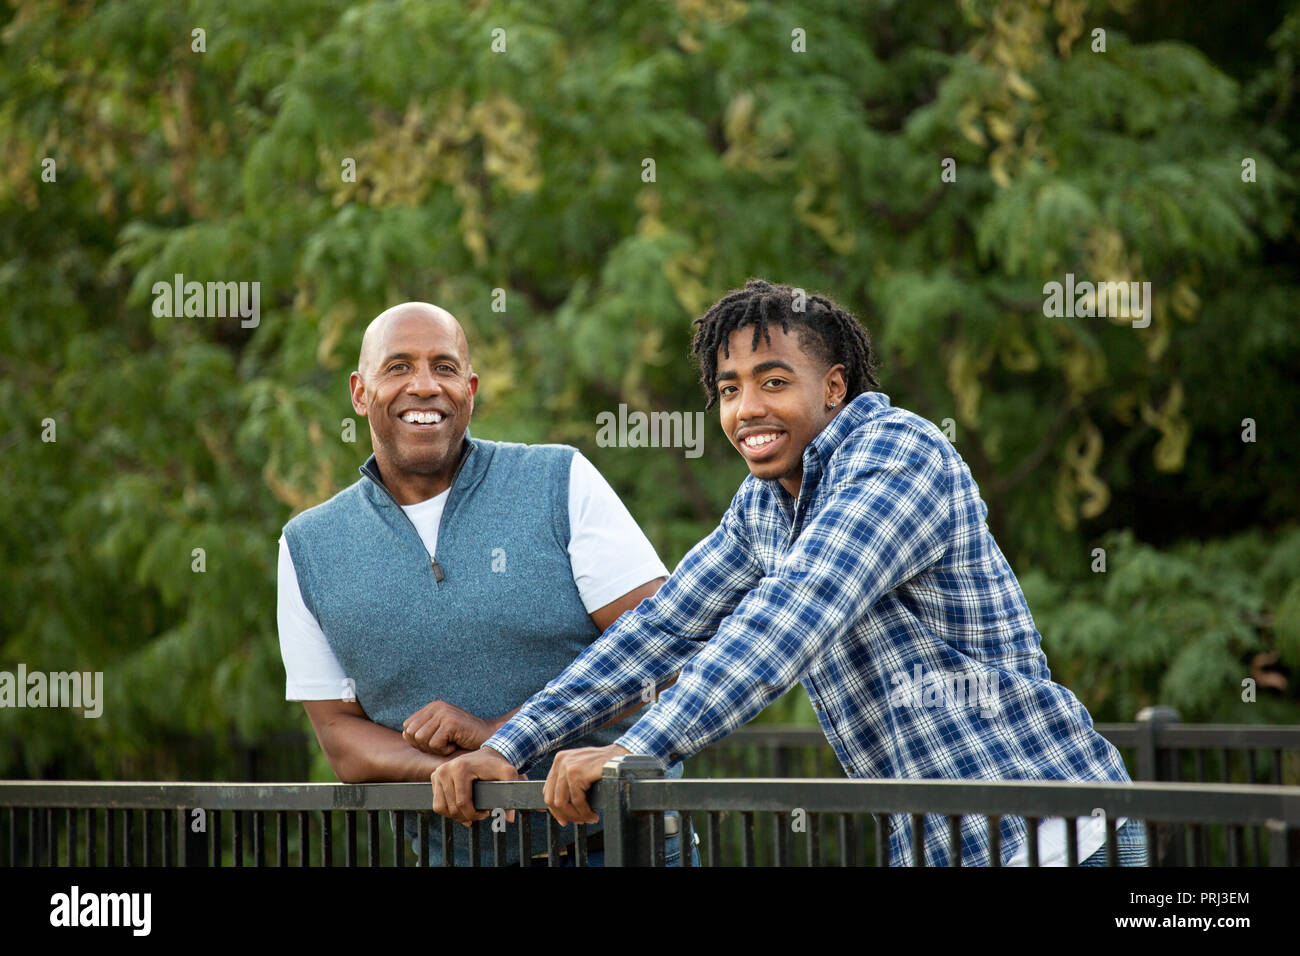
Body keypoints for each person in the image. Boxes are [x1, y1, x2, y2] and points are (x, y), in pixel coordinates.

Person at [432, 279, 1146, 867]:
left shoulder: (898, 455)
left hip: (1059, 835)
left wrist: (634, 749)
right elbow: (658, 630)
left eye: (774, 381)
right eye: (730, 389)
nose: (748, 409)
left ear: (834, 386)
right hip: (935, 845)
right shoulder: (766, 505)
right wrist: (509, 745)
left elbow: (794, 615)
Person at [277, 301, 693, 866]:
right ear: (358, 392)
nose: (424, 385)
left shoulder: (558, 480)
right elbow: (339, 735)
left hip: (620, 847)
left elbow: (661, 656)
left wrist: (501, 734)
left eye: (444, 368)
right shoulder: (308, 546)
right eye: (398, 367)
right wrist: (448, 771)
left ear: (470, 389)